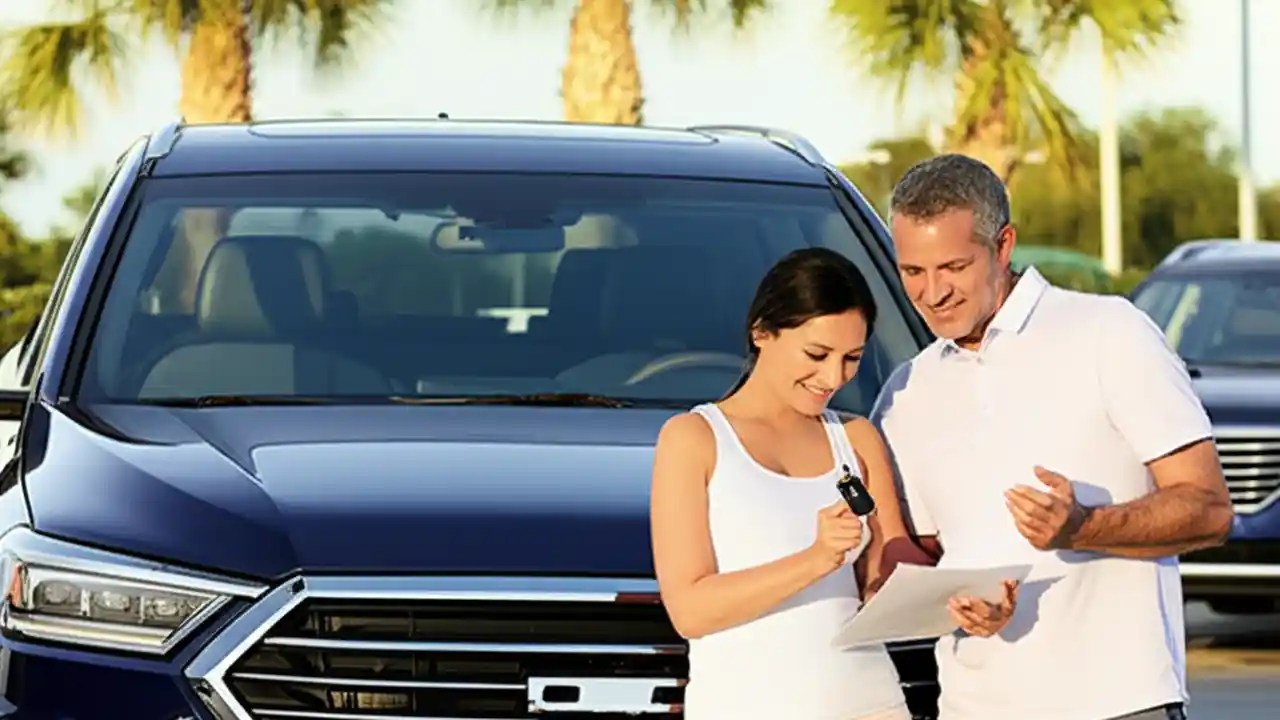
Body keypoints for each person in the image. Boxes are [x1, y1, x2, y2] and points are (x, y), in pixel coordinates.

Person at [871, 154, 1235, 720]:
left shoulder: (1108, 332)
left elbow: (1210, 510)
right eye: (912, 272)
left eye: (953, 267)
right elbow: (915, 563)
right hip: (974, 709)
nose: (932, 292)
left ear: (1004, 245)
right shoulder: (906, 392)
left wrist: (1082, 526)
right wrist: (957, 604)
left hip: (1120, 704)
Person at [649, 247, 998, 720]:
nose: (833, 377)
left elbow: (883, 586)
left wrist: (968, 597)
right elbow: (690, 610)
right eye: (817, 354)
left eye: (851, 358)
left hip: (869, 704)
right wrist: (816, 559)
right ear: (762, 332)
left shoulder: (855, 440)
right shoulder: (694, 440)